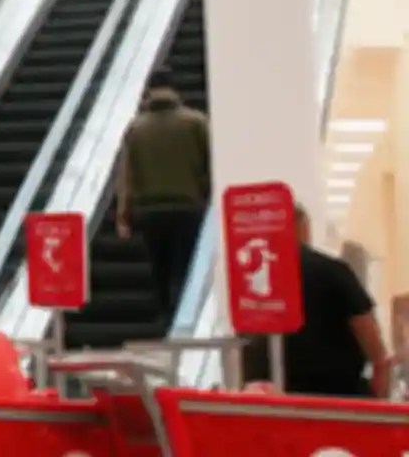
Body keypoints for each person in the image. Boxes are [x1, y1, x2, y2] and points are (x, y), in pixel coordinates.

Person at [243, 204, 391, 399]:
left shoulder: (252, 278)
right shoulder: (333, 271)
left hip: (271, 402)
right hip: (336, 400)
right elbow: (375, 348)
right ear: (302, 227)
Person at [115, 67, 211, 316]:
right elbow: (211, 165)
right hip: (188, 208)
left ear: (148, 92)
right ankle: (184, 317)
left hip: (150, 212)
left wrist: (124, 215)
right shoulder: (196, 122)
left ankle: (164, 316)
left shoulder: (136, 129)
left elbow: (127, 176)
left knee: (160, 269)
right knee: (185, 267)